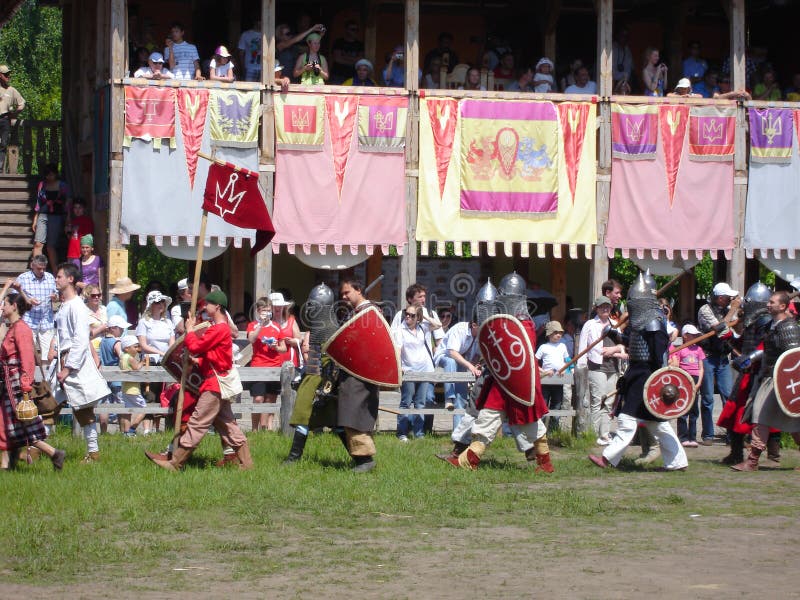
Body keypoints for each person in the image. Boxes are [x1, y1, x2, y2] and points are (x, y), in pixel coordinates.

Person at [442, 272, 554, 474]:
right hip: (500, 382)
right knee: (487, 419)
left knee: (531, 423)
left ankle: (545, 463)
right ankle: (468, 460)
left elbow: (519, 358)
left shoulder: (525, 326)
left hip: (517, 384)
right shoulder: (501, 324)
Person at [589, 273, 689, 471]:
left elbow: (658, 352)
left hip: (645, 375)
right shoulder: (641, 322)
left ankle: (608, 458)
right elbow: (634, 346)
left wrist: (656, 379)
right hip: (637, 372)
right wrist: (616, 336)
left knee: (628, 419)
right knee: (657, 424)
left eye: (634, 300)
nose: (631, 304)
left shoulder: (653, 322)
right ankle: (678, 462)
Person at [147, 289, 253, 471]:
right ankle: (247, 464)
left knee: (197, 423)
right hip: (216, 383)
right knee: (228, 426)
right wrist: (198, 361)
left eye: (208, 305)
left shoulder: (219, 329)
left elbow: (195, 345)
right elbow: (217, 357)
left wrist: (189, 330)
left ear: (217, 306)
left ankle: (175, 463)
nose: (205, 308)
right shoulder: (220, 329)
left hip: (214, 385)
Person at [733, 291, 800, 471]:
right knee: (763, 416)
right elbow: (770, 350)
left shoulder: (788, 327)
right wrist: (752, 358)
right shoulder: (773, 325)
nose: (768, 304)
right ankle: (752, 461)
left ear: (783, 306)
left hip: (782, 380)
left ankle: (752, 461)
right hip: (770, 376)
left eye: (772, 302)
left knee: (773, 417)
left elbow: (793, 358)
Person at [0, 290, 65, 471]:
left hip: (17, 385)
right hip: (9, 383)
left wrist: (26, 384)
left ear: (14, 306)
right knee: (7, 424)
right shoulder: (12, 327)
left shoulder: (21, 329)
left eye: (5, 303)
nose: (3, 307)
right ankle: (7, 464)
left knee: (24, 424)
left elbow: (28, 358)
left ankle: (54, 453)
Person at [54, 262, 111, 463]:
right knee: (48, 404)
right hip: (63, 361)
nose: (56, 279)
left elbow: (80, 338)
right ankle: (38, 449)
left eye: (59, 276)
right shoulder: (65, 305)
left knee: (83, 408)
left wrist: (68, 367)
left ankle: (93, 453)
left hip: (73, 363)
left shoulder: (77, 306)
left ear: (70, 279)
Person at [284, 283, 345, 464]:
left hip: (323, 382)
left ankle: (362, 459)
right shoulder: (319, 327)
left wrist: (326, 389)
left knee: (337, 423)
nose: (309, 308)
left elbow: (334, 363)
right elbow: (315, 357)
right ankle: (294, 458)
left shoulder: (330, 328)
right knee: (303, 416)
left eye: (313, 305)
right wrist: (303, 374)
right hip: (312, 378)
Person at [718, 282, 772, 465]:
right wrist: (727, 335)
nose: (744, 304)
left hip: (759, 374)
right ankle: (736, 453)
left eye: (747, 302)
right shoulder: (751, 321)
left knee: (756, 414)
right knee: (734, 413)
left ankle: (772, 452)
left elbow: (767, 346)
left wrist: (750, 359)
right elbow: (742, 344)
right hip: (748, 373)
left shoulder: (766, 322)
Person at [337, 279, 380, 473]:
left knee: (355, 414)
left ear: (359, 290)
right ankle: (360, 458)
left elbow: (371, 345)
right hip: (352, 372)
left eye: (347, 292)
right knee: (347, 413)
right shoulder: (357, 313)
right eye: (342, 294)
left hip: (362, 374)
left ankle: (365, 459)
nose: (344, 297)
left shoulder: (370, 313)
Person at [696, 282, 740, 446]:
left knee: (728, 396)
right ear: (721, 298)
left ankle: (731, 435)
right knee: (707, 397)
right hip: (707, 357)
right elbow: (719, 328)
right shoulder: (705, 310)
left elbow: (734, 329)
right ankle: (708, 435)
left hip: (723, 358)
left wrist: (736, 312)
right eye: (728, 297)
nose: (731, 300)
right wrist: (733, 311)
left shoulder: (728, 310)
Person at [578, 296, 624, 445]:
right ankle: (592, 434)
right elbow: (583, 348)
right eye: (602, 306)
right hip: (597, 367)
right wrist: (581, 367)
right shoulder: (590, 325)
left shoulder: (616, 324)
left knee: (609, 402)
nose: (605, 309)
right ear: (596, 309)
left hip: (613, 367)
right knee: (597, 400)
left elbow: (622, 345)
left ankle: (604, 435)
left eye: (608, 307)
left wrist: (613, 350)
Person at [393, 305, 434, 441]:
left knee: (420, 403)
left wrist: (425, 316)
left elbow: (438, 325)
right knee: (406, 401)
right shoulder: (400, 330)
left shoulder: (423, 327)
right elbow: (398, 351)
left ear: (418, 318)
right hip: (408, 371)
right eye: (406, 313)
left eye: (412, 315)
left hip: (423, 370)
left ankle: (419, 433)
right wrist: (399, 368)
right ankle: (402, 433)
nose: (408, 317)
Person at [246, 296, 287, 432]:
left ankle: (265, 429)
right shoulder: (253, 325)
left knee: (270, 399)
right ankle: (254, 429)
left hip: (274, 366)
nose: (267, 313)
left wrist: (275, 346)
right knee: (258, 399)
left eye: (269, 311)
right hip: (258, 366)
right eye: (264, 311)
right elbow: (251, 339)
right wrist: (261, 325)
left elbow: (283, 348)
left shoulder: (276, 327)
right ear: (258, 311)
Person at [13, 255, 57, 361]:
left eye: (44, 268)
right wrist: (27, 300)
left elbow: (57, 294)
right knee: (27, 354)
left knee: (48, 356)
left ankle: (46, 376)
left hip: (46, 321)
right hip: (29, 320)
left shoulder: (50, 277)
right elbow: (14, 297)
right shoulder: (23, 278)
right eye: (39, 268)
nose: (42, 271)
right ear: (32, 266)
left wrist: (55, 297)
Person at [668, 324, 705, 447]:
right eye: (692, 335)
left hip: (695, 379)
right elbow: (676, 365)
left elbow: (701, 367)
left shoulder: (698, 349)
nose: (694, 336)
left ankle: (692, 437)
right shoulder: (680, 349)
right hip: (684, 379)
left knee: (694, 410)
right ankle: (682, 436)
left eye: (695, 335)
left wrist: (699, 382)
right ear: (685, 336)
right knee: (683, 409)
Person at [32, 164, 72, 270]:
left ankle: (55, 272)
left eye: (51, 175)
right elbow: (38, 202)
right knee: (38, 244)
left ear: (55, 174)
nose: (49, 177)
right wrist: (35, 219)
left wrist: (68, 217)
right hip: (43, 214)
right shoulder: (42, 185)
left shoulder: (62, 186)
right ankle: (36, 270)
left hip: (56, 216)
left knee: (51, 246)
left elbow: (68, 202)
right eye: (47, 175)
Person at [535, 321, 571, 425]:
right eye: (556, 332)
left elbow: (567, 360)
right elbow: (534, 361)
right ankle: (540, 431)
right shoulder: (543, 347)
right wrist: (544, 371)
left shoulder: (562, 346)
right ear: (549, 334)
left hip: (559, 381)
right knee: (543, 405)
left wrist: (565, 369)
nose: (559, 335)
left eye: (560, 332)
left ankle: (553, 430)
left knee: (557, 405)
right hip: (545, 381)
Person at [118, 335, 147, 437]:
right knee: (144, 408)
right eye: (135, 347)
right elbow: (136, 368)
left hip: (125, 388)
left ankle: (126, 432)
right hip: (133, 389)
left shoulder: (122, 357)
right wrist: (142, 363)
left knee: (128, 410)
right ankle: (132, 429)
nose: (137, 349)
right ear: (127, 348)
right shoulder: (130, 358)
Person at [0, 64, 25, 173]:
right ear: (0, 75)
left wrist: (15, 113)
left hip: (5, 119)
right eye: (6, 74)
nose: (8, 76)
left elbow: (22, 103)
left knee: (3, 144)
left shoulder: (11, 90)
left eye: (9, 74)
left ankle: (0, 169)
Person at [270, 292, 304, 368]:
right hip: (272, 360)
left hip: (289, 359)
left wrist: (292, 341)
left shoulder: (291, 320)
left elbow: (299, 340)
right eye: (274, 306)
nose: (277, 308)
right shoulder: (267, 323)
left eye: (279, 305)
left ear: (283, 307)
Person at [83, 284, 107, 349]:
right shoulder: (83, 312)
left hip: (105, 347)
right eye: (93, 295)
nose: (96, 297)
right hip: (92, 348)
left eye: (98, 295)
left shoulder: (104, 309)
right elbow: (85, 335)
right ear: (87, 296)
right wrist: (101, 328)